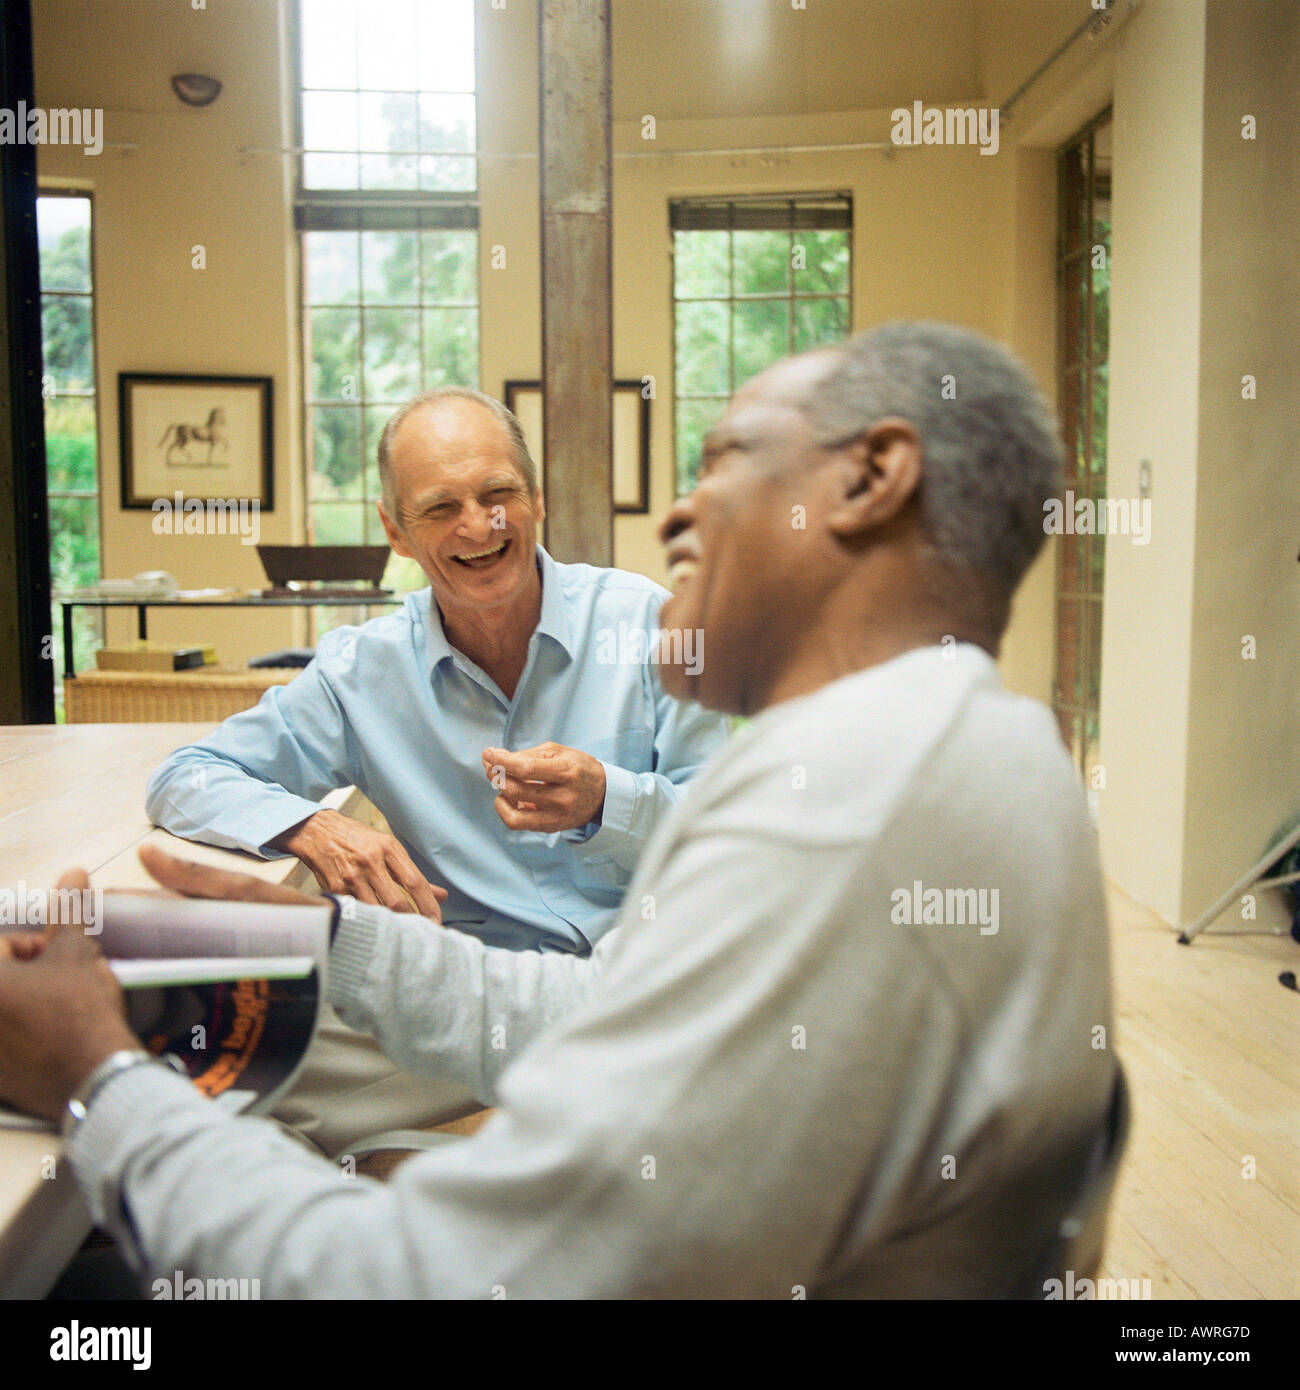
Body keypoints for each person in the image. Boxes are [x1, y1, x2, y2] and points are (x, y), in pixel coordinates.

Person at [0, 322, 1123, 1297]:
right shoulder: (947, 744)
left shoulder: (852, 809)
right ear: (402, 529)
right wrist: (320, 940)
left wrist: (98, 1082)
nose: (678, 512)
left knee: (81, 1251)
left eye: (723, 458)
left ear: (870, 477)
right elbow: (602, 1010)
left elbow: (428, 1282)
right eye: (443, 506)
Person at [143, 386, 729, 1151]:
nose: (478, 525)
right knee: (218, 1059)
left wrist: (605, 802)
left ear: (537, 499)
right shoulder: (362, 671)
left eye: (497, 494)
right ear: (395, 531)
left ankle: (480, 1177)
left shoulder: (650, 625)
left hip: (643, 980)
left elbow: (730, 840)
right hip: (471, 994)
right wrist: (313, 828)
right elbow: (186, 774)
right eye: (439, 507)